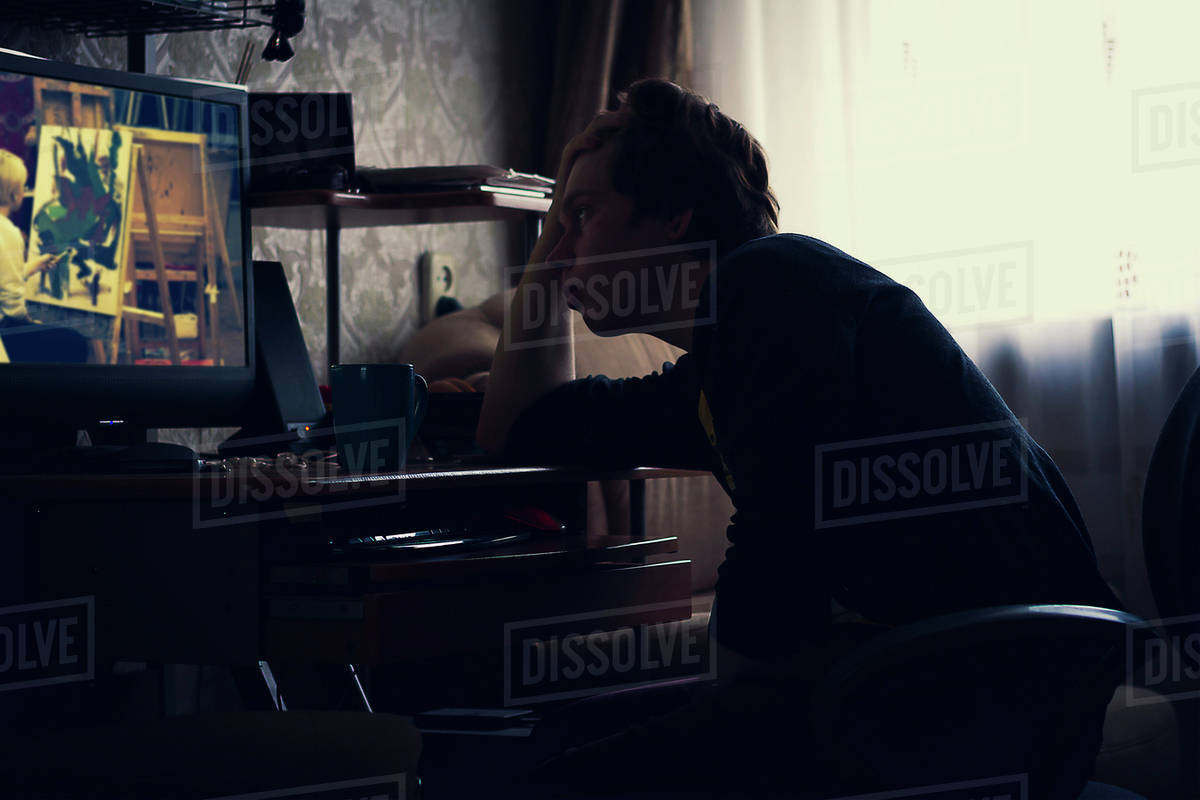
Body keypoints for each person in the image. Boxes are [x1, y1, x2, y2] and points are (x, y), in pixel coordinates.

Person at [476, 79, 1124, 797]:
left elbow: (774, 561)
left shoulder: (773, 286)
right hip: (926, 673)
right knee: (552, 736)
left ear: (673, 216)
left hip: (987, 685)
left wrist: (692, 725)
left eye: (585, 215)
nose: (564, 250)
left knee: (545, 777)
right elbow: (521, 429)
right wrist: (551, 249)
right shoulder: (717, 371)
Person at [0, 149, 87, 363]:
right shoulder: (8, 232)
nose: (24, 192)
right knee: (75, 344)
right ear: (12, 193)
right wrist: (29, 323)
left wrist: (33, 266)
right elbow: (12, 307)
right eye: (22, 187)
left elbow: (3, 277)